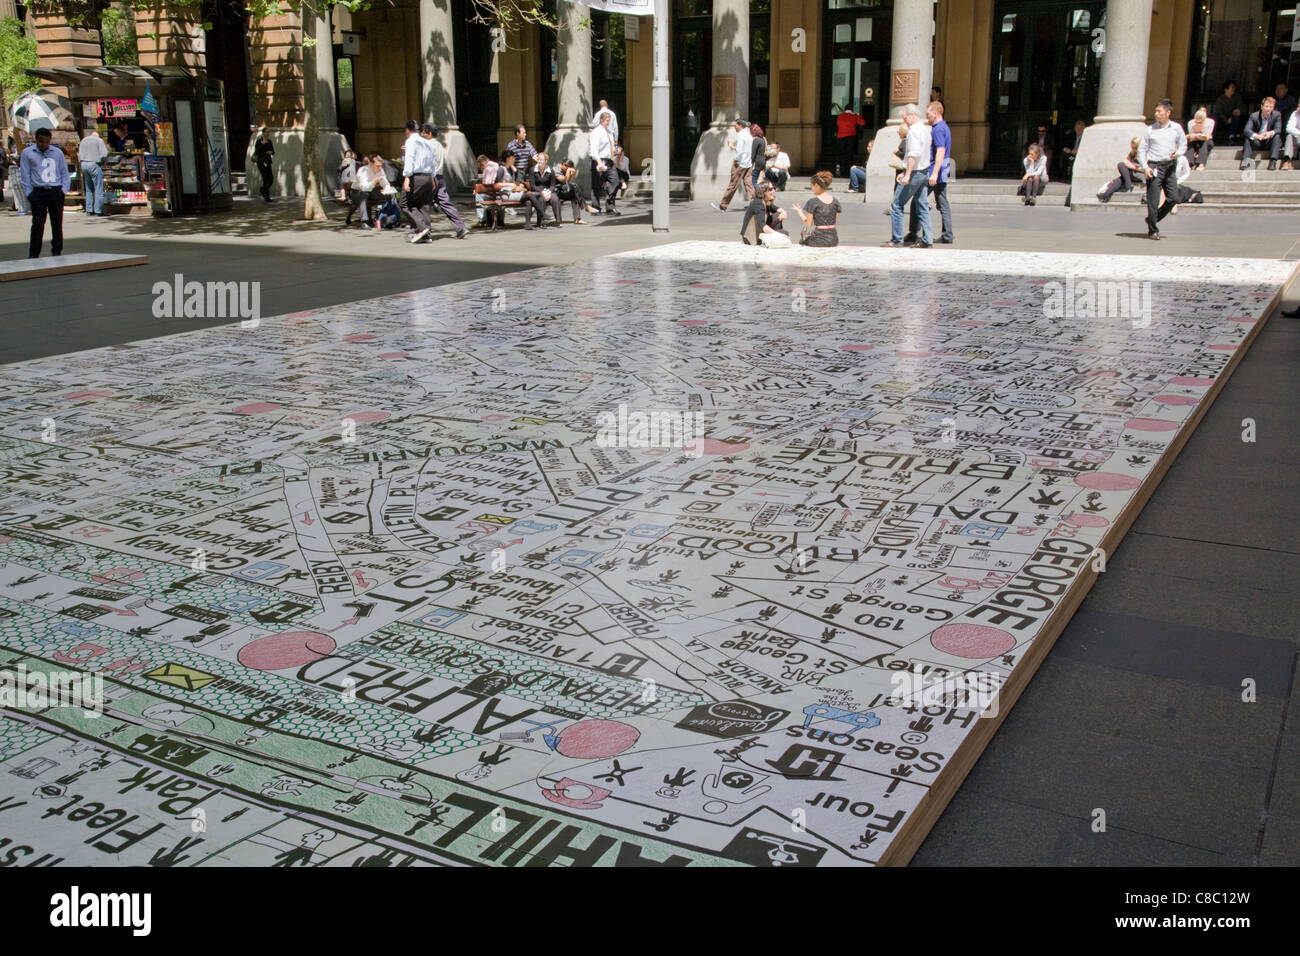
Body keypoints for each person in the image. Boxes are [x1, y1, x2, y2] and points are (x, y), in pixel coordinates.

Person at [1138, 98, 1188, 240]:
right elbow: (1142, 150)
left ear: (1168, 113)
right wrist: (1145, 167)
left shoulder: (1176, 128)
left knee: (1174, 198)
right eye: (1156, 111)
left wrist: (1178, 153)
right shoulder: (1150, 130)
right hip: (1154, 166)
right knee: (1153, 200)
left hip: (1170, 166)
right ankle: (1153, 230)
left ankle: (1153, 219)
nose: (1156, 114)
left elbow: (1183, 144)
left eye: (1159, 111)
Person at [20, 127, 70, 258]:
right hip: (38, 191)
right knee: (37, 224)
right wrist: (29, 193)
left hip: (55, 190)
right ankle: (34, 253)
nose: (44, 145)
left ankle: (57, 250)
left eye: (46, 142)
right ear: (36, 140)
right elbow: (25, 174)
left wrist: (63, 190)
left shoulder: (57, 153)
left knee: (57, 223)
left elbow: (64, 172)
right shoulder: (27, 153)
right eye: (41, 142)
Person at [886, 104, 932, 246]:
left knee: (897, 205)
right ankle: (927, 239)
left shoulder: (913, 131)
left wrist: (907, 174)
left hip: (915, 172)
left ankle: (897, 238)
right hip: (924, 171)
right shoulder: (925, 130)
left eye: (905, 117)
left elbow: (913, 154)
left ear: (912, 115)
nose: (904, 120)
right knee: (922, 205)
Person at [916, 100, 952, 244]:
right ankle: (947, 234)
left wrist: (934, 173)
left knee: (920, 200)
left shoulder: (938, 129)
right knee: (943, 203)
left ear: (935, 113)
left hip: (935, 170)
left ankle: (920, 233)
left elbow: (940, 151)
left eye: (928, 113)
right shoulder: (944, 127)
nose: (927, 116)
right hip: (944, 169)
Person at [423, 124, 467, 239]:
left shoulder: (428, 145)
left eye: (423, 132)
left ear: (429, 133)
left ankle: (424, 231)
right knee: (446, 203)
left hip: (431, 177)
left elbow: (430, 163)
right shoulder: (439, 145)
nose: (422, 135)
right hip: (440, 177)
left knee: (424, 204)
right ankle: (460, 227)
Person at [402, 121, 438, 243]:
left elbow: (410, 158)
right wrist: (432, 177)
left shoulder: (411, 141)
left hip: (415, 176)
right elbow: (432, 161)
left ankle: (421, 228)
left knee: (405, 203)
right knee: (424, 205)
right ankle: (427, 234)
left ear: (408, 130)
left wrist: (407, 177)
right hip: (427, 176)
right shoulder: (426, 142)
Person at [710, 118, 754, 211]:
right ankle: (755, 204)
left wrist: (735, 158)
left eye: (736, 125)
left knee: (733, 185)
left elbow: (740, 150)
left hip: (740, 163)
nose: (735, 127)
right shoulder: (749, 136)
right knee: (749, 185)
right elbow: (747, 150)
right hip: (748, 163)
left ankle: (723, 205)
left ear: (740, 126)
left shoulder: (741, 136)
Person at [792, 170, 840, 246]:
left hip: (819, 239)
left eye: (812, 186)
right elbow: (835, 222)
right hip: (833, 239)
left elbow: (808, 224)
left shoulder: (813, 202)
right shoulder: (835, 202)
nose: (812, 189)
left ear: (816, 185)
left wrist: (799, 212)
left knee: (803, 240)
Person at [347, 153, 395, 229]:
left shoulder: (380, 170)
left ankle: (387, 218)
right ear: (371, 164)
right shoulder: (363, 170)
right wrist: (374, 181)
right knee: (364, 195)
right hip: (357, 191)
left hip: (371, 191)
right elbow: (364, 188)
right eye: (377, 166)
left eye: (380, 166)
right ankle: (365, 221)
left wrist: (386, 188)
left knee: (390, 194)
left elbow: (385, 183)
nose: (379, 168)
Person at [588, 112, 621, 216]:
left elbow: (609, 147)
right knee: (596, 185)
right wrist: (598, 163)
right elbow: (594, 149)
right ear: (601, 120)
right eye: (607, 120)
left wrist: (615, 151)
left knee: (615, 181)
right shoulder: (596, 132)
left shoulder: (609, 132)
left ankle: (610, 206)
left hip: (609, 160)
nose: (609, 122)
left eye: (609, 120)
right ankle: (595, 208)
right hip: (600, 160)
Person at [521, 150, 562, 230]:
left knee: (555, 198)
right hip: (537, 191)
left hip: (548, 191)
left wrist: (549, 191)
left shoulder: (550, 170)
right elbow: (532, 186)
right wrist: (542, 192)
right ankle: (541, 222)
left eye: (541, 159)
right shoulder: (533, 170)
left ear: (546, 161)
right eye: (538, 159)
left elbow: (553, 185)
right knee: (541, 198)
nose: (539, 161)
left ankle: (558, 221)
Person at [1096, 136, 1145, 202]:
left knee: (1121, 171)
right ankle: (1105, 195)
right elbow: (1126, 162)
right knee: (1120, 174)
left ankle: (1127, 185)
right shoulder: (1132, 153)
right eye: (1132, 147)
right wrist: (1131, 165)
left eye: (1135, 147)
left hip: (1140, 175)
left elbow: (1145, 169)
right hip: (1131, 174)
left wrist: (1133, 166)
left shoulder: (1145, 153)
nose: (1133, 149)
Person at [740, 180, 787, 245]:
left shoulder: (765, 201)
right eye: (770, 189)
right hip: (750, 237)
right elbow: (762, 225)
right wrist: (777, 236)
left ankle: (774, 239)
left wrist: (783, 213)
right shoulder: (758, 204)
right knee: (784, 234)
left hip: (760, 231)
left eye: (774, 188)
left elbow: (779, 209)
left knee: (778, 215)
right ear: (763, 192)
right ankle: (773, 240)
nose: (774, 191)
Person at [1242, 97, 1282, 169]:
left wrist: (1270, 133)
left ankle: (1273, 161)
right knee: (1248, 137)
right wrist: (1256, 136)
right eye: (1266, 106)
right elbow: (1246, 129)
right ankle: (1246, 162)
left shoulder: (1277, 115)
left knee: (1277, 136)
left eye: (1271, 107)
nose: (1268, 109)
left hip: (1268, 141)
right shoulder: (1254, 116)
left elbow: (1278, 129)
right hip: (1257, 140)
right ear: (1262, 106)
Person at [77, 126, 107, 216]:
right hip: (93, 164)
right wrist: (102, 161)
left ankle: (89, 210)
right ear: (99, 135)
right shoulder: (99, 140)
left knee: (88, 188)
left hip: (83, 164)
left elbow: (79, 154)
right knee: (98, 188)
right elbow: (104, 154)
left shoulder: (84, 140)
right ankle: (98, 210)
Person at [834, 104, 866, 176]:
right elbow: (863, 122)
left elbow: (837, 123)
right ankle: (847, 170)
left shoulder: (840, 116)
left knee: (840, 153)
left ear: (845, 109)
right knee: (849, 154)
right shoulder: (854, 116)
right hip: (851, 136)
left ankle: (838, 167)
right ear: (852, 109)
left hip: (840, 136)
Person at [253, 128, 274, 201]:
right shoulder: (259, 141)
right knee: (265, 179)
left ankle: (263, 189)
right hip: (261, 162)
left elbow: (273, 151)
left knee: (271, 179)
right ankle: (267, 197)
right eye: (267, 132)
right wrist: (262, 144)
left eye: (269, 132)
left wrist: (271, 152)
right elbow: (256, 151)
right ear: (263, 133)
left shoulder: (270, 141)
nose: (268, 134)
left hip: (268, 162)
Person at [749, 123, 767, 193]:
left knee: (753, 180)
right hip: (762, 161)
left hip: (757, 162)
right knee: (756, 178)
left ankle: (760, 193)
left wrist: (750, 163)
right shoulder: (763, 139)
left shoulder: (756, 140)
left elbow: (753, 154)